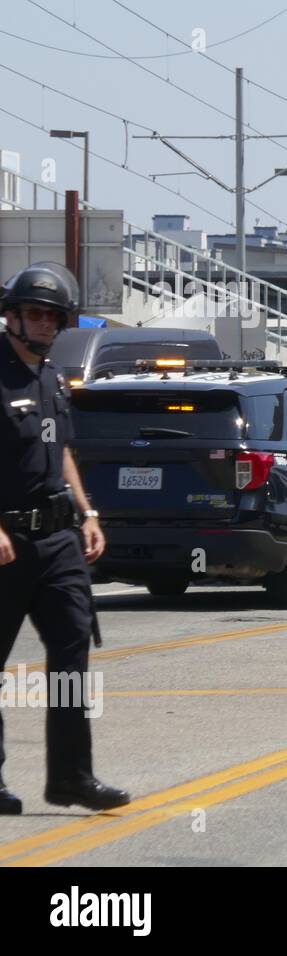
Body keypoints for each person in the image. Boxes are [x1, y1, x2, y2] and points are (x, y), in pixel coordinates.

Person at [0, 262, 130, 814]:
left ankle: (72, 777)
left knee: (72, 654)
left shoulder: (52, 378)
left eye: (54, 316)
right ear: (11, 317)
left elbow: (63, 452)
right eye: (35, 313)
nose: (45, 323)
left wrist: (89, 512)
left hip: (58, 541)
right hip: (6, 542)